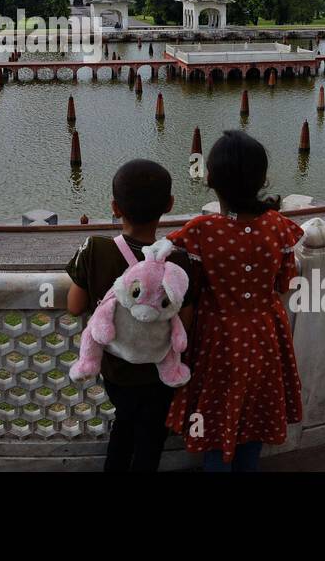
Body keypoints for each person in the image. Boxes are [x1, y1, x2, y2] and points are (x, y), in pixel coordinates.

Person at [166, 130, 303, 472]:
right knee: (254, 412)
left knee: (214, 420)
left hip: (217, 339)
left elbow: (187, 287)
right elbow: (286, 283)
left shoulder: (200, 231)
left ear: (210, 179)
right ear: (262, 179)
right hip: (264, 336)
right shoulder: (278, 227)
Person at [66, 159, 198, 472]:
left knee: (124, 425)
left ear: (114, 206)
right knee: (152, 436)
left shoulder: (95, 249)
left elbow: (74, 305)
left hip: (116, 371)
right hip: (159, 372)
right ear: (169, 204)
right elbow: (187, 322)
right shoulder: (179, 260)